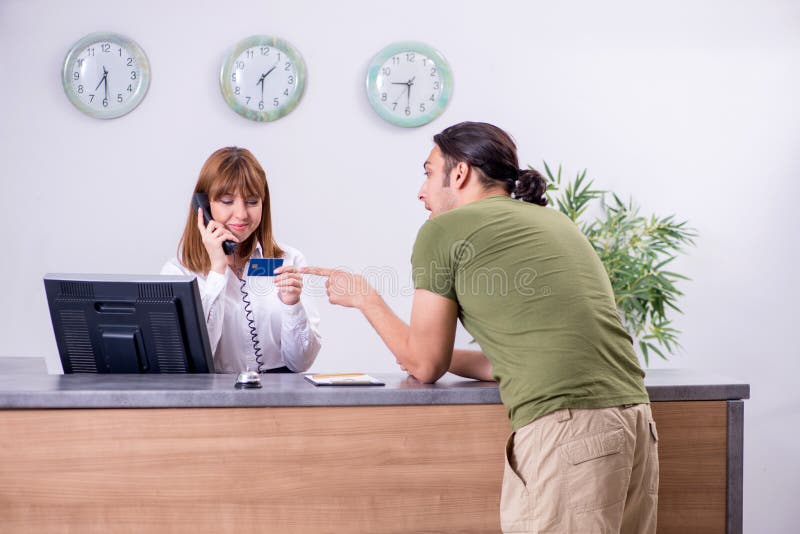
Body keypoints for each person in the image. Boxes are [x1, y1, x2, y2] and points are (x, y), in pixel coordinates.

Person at [303, 122, 658, 533]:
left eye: (428, 173)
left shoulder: (443, 230)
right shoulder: (556, 223)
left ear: (460, 173)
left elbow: (424, 365)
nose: (421, 191)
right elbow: (514, 359)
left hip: (567, 432)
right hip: (637, 423)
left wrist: (367, 299)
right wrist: (428, 351)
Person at [162, 146, 321, 374]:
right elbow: (192, 361)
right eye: (227, 201)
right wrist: (217, 269)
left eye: (252, 201)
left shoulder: (288, 260)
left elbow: (301, 363)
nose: (242, 214)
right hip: (214, 392)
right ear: (203, 206)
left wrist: (292, 304)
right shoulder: (180, 272)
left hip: (278, 392)